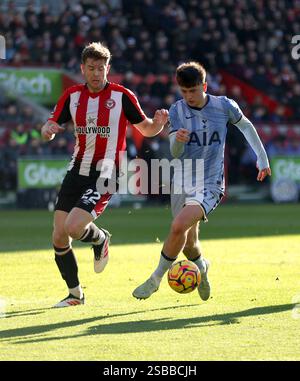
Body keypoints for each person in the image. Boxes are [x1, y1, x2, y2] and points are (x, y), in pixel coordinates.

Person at [41, 42, 168, 307]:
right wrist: (49, 128)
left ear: (108, 68)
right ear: (82, 69)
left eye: (101, 68)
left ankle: (100, 238)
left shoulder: (122, 96)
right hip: (77, 169)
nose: (97, 73)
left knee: (75, 227)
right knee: (58, 235)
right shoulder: (72, 96)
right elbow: (51, 123)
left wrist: (157, 125)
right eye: (91, 68)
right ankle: (76, 295)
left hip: (108, 171)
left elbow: (145, 129)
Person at [132, 61, 271, 301]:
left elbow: (247, 127)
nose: (189, 96)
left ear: (204, 86)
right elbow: (175, 152)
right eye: (184, 92)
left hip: (210, 182)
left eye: (193, 91)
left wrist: (262, 158)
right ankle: (203, 269)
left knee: (177, 227)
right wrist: (178, 140)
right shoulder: (176, 110)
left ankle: (155, 279)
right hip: (183, 180)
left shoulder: (224, 105)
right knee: (187, 243)